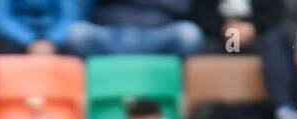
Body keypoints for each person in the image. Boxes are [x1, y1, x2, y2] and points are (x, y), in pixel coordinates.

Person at [65, 0, 205, 57]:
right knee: (77, 34)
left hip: (158, 37)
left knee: (189, 34)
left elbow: (183, 7)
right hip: (111, 36)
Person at [0, 0, 80, 55]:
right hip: (17, 40)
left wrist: (52, 41)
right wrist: (30, 41)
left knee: (78, 37)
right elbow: (1, 18)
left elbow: (69, 17)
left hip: (57, 41)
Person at [195, 0, 283, 53]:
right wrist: (222, 28)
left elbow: (274, 12)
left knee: (274, 45)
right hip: (216, 34)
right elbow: (201, 13)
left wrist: (253, 27)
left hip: (257, 33)